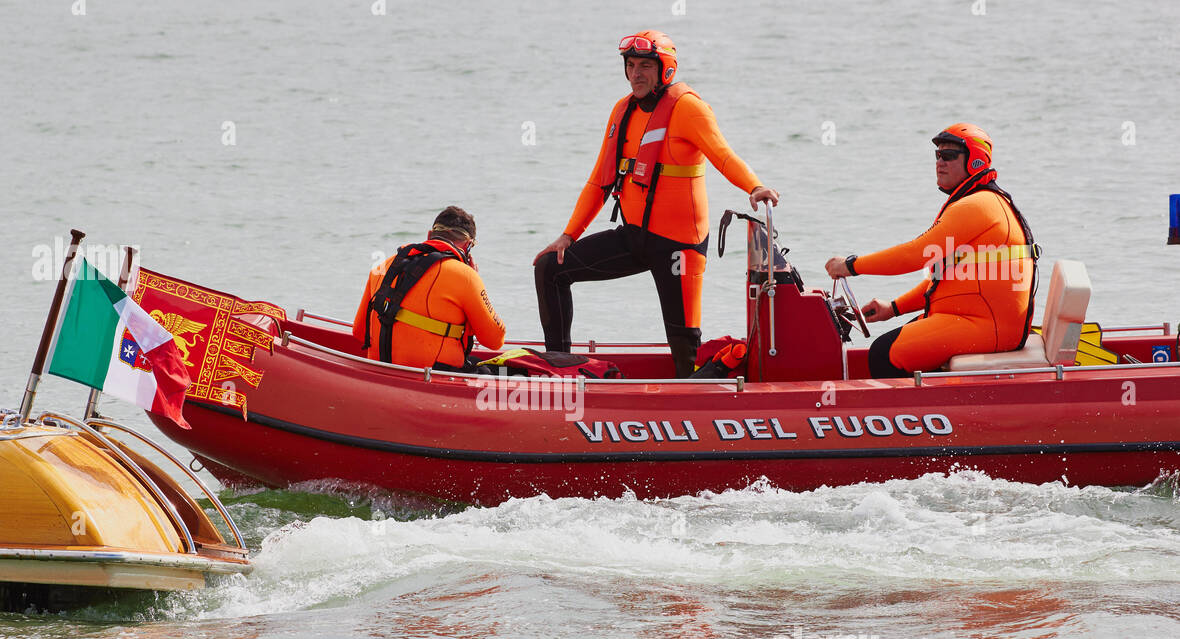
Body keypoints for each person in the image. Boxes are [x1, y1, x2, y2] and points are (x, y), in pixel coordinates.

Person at [533, 30, 780, 378]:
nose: (636, 73)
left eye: (645, 66)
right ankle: (559, 372)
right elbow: (599, 182)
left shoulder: (687, 108)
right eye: (631, 65)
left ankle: (695, 402)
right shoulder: (623, 111)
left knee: (683, 350)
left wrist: (754, 187)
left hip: (679, 248)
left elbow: (723, 155)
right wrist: (568, 235)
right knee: (550, 268)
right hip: (634, 237)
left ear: (665, 70)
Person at [825, 124, 1038, 377]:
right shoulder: (977, 203)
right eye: (937, 155)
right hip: (975, 320)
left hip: (985, 326)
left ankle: (907, 415)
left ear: (976, 161)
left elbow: (913, 255)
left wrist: (851, 265)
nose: (940, 162)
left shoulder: (977, 206)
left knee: (885, 353)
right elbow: (944, 280)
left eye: (949, 156)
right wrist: (893, 308)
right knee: (889, 345)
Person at [353, 206, 506, 372]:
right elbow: (495, 340)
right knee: (493, 370)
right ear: (468, 246)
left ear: (429, 235)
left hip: (380, 369)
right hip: (431, 377)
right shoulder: (467, 276)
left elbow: (359, 332)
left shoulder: (383, 266)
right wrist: (475, 282)